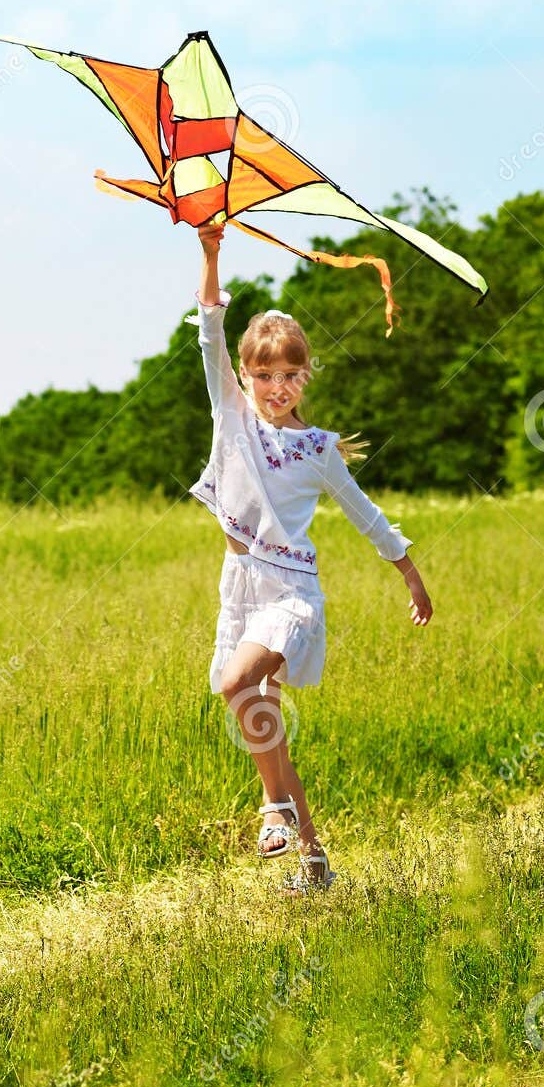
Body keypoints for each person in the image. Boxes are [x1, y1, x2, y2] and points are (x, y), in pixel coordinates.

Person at [190, 222, 432, 893]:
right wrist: (211, 253)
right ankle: (315, 860)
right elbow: (211, 329)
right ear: (244, 375)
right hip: (240, 588)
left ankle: (274, 811)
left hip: (292, 593)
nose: (276, 385)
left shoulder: (319, 447)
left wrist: (408, 571)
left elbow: (364, 512)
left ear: (306, 374)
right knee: (264, 722)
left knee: (237, 686)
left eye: (289, 373)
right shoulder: (230, 415)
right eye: (263, 374)